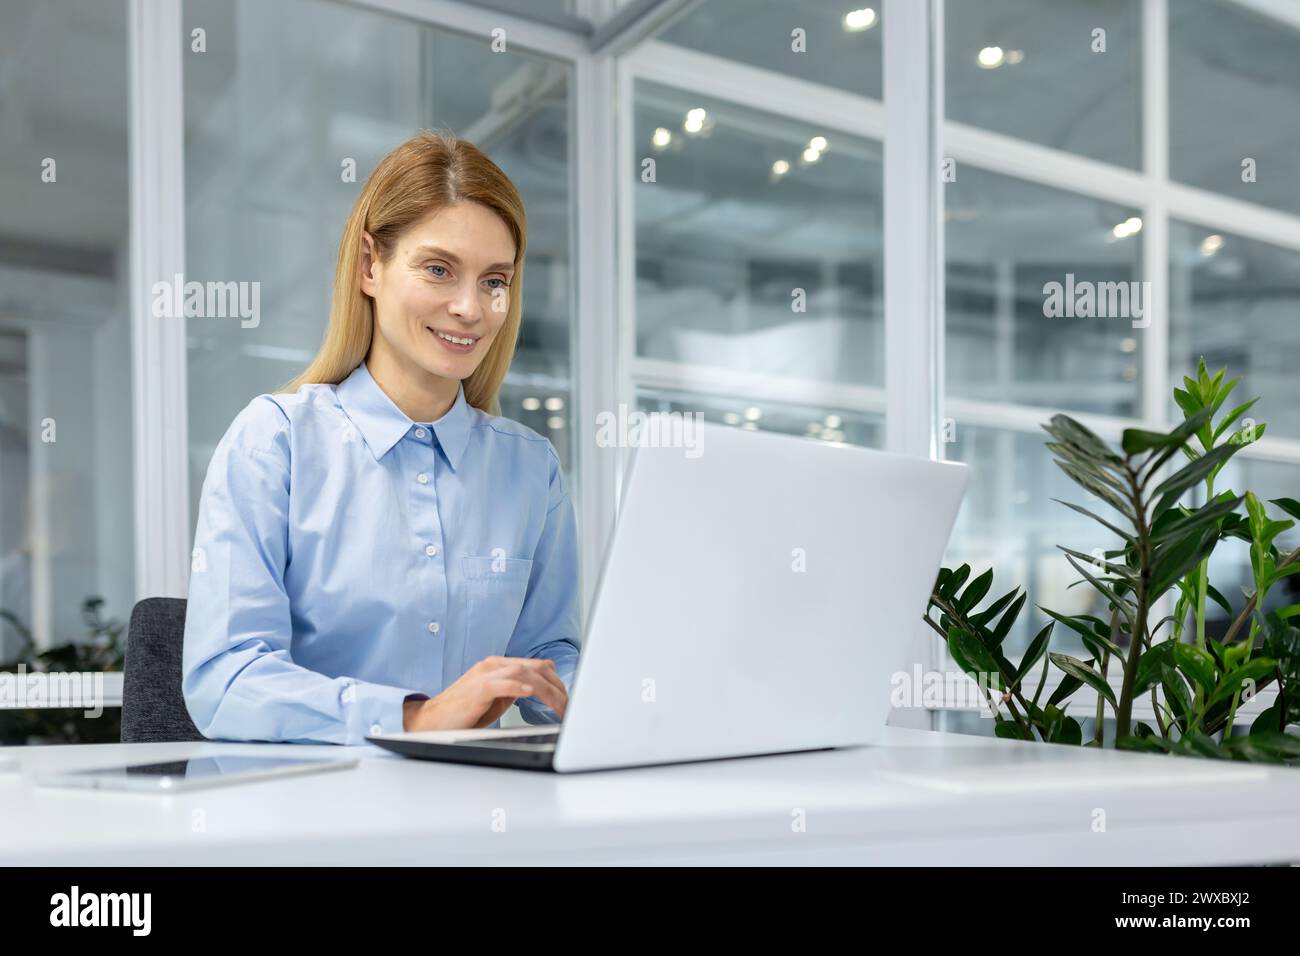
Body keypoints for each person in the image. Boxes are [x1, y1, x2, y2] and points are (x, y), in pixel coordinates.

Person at [182, 131, 578, 744]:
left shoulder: (530, 469)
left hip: (481, 808)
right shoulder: (275, 443)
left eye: (494, 280)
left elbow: (551, 655)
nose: (471, 308)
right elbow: (227, 679)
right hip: (316, 814)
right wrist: (413, 717)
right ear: (370, 265)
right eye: (439, 270)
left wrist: (613, 701)